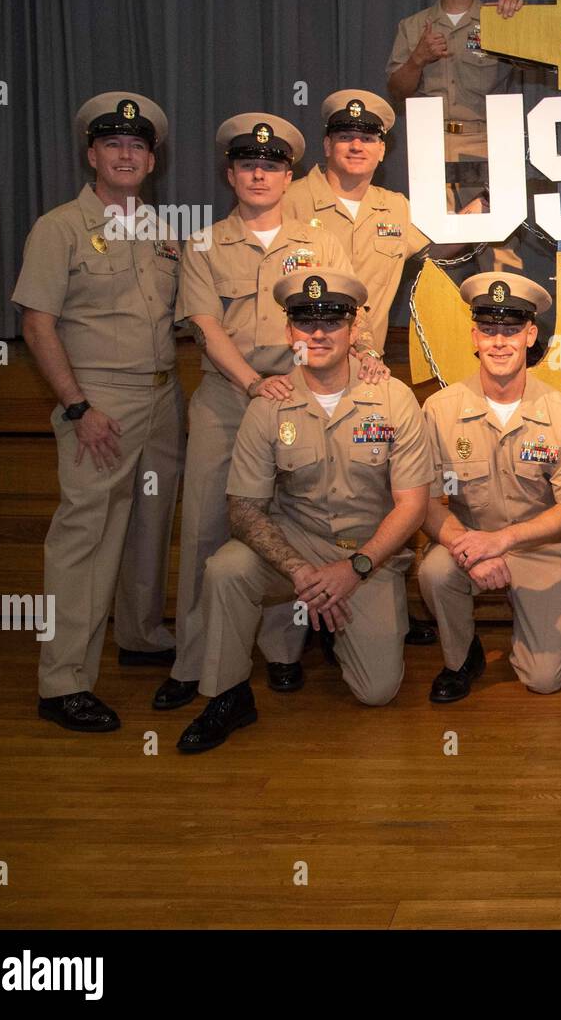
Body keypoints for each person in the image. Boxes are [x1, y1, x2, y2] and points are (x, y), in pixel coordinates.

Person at [156, 113, 384, 714]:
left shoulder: (321, 242)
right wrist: (255, 382)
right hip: (230, 401)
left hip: (304, 401)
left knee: (290, 520)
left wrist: (367, 360)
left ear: (289, 176)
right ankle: (196, 663)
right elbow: (206, 327)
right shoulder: (204, 243)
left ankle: (283, 652)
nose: (260, 174)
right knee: (209, 527)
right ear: (230, 174)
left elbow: (346, 318)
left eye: (272, 166)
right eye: (249, 165)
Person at [176, 270, 433, 752]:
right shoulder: (268, 405)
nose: (318, 333)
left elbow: (413, 506)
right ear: (289, 331)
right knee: (226, 569)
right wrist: (301, 573)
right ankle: (226, 697)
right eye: (305, 320)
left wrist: (353, 569)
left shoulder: (393, 398)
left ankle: (335, 633)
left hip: (368, 553)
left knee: (377, 692)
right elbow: (244, 510)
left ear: (355, 329)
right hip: (296, 547)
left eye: (332, 320)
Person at [283, 87, 486, 646]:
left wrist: (474, 216)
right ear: (326, 144)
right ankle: (294, 629)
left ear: (381, 149)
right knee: (298, 491)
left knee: (377, 488)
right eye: (346, 136)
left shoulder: (393, 207)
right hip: (305, 367)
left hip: (369, 368)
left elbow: (430, 249)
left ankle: (378, 598)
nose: (356, 145)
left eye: (368, 138)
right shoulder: (291, 200)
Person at [14, 93, 182, 731]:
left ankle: (139, 635)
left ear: (151, 159)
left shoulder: (162, 230)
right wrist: (77, 405)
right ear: (92, 154)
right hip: (99, 399)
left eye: (137, 146)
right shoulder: (59, 227)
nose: (126, 154)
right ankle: (62, 683)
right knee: (85, 538)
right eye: (113, 144)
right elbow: (36, 323)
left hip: (164, 394)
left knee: (148, 523)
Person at [418, 273, 561, 700]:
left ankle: (549, 610)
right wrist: (467, 548)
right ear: (474, 336)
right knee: (436, 571)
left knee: (544, 681)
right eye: (490, 330)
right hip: (470, 545)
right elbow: (422, 500)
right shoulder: (440, 409)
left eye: (511, 330)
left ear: (530, 335)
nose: (500, 342)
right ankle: (461, 658)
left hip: (542, 550)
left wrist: (503, 541)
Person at [386, 0, 524, 272]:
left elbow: (549, 57)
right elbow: (397, 91)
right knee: (434, 253)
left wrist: (523, 19)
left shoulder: (501, 21)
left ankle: (506, 326)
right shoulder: (413, 26)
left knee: (500, 253)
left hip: (486, 144)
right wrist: (417, 59)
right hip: (430, 147)